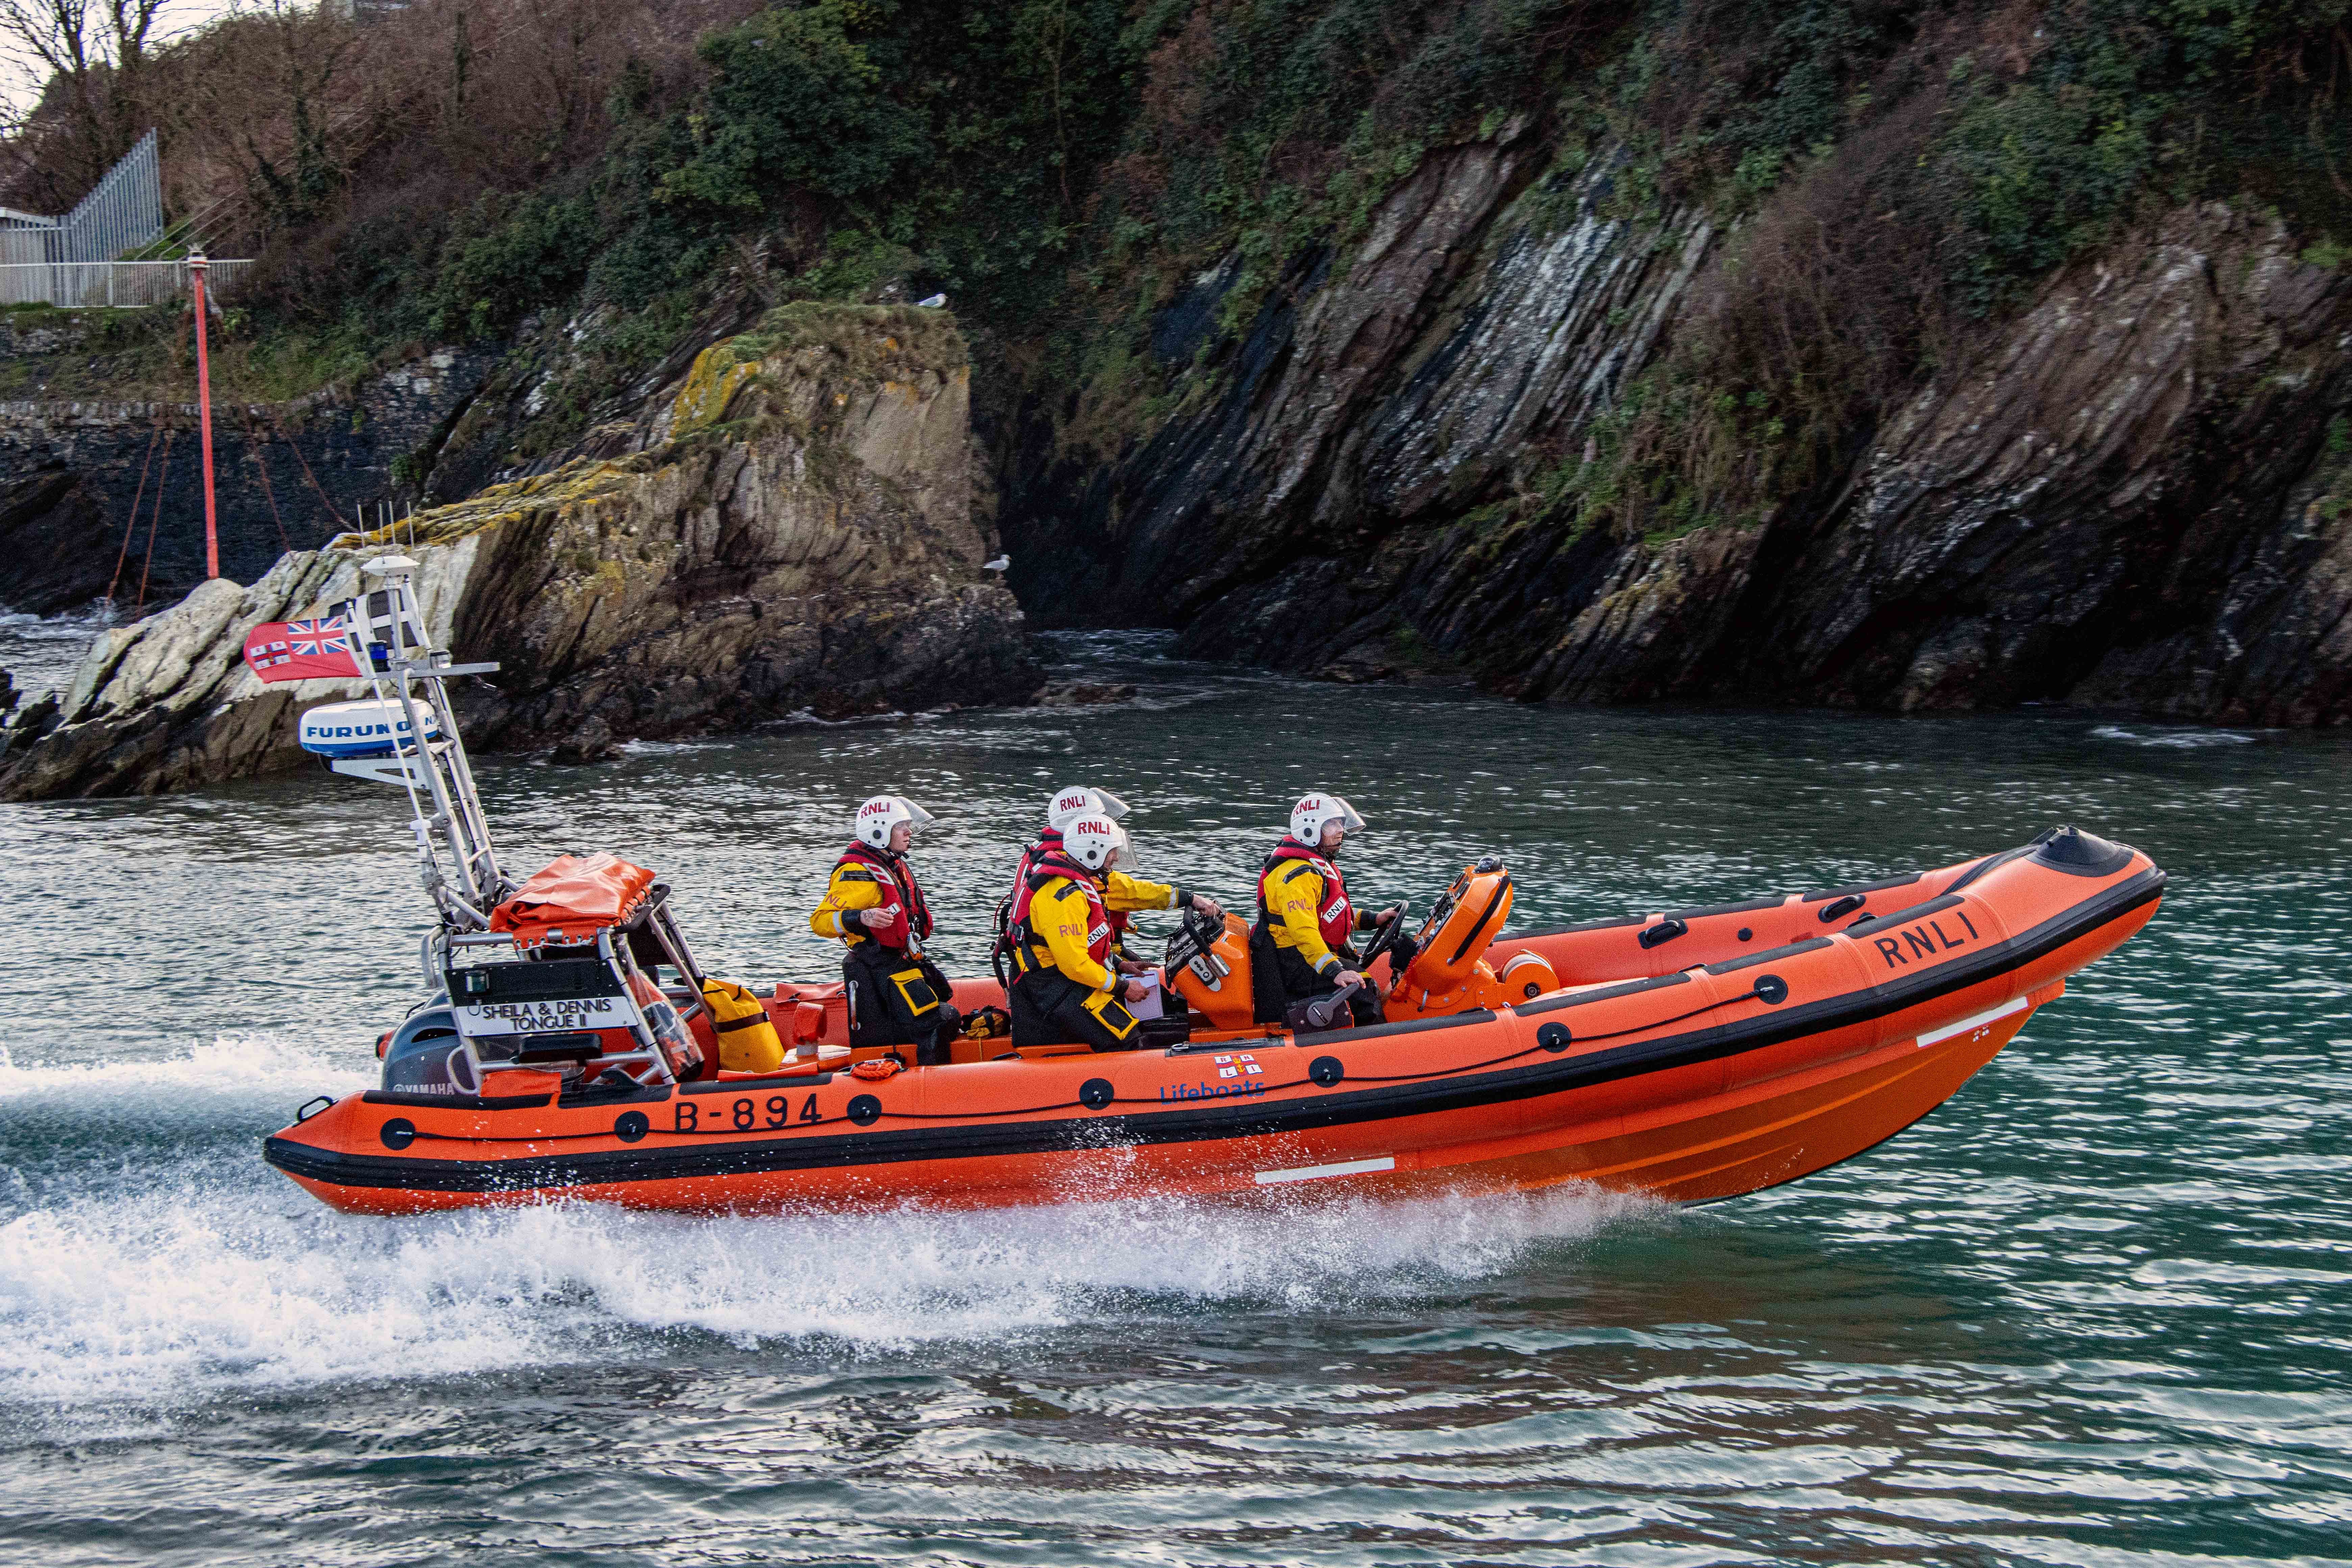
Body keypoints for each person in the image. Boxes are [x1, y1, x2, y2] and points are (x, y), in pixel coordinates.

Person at [1008, 814, 1216, 1050]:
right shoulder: (1066, 898)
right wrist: (1122, 987)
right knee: (1130, 1040)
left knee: (1159, 1008)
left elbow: (1087, 942)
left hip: (1069, 977)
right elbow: (1074, 965)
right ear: (1092, 852)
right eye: (1112, 851)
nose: (1116, 858)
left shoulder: (1084, 881)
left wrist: (1119, 964)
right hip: (1054, 984)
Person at [994, 784, 1223, 983]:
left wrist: (1115, 960)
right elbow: (1130, 892)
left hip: (1039, 957)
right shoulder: (1073, 868)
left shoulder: (1045, 853)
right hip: (1049, 969)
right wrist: (1190, 898)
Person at [809, 794, 960, 1065]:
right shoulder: (858, 874)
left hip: (901, 964)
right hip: (880, 968)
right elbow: (820, 921)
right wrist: (860, 917)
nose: (909, 832)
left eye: (908, 826)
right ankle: (930, 1082)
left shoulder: (891, 864)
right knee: (936, 1023)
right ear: (878, 831)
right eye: (901, 827)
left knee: (947, 1011)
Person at [1251, 791, 1399, 1029]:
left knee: (1359, 975)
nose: (1340, 830)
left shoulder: (1316, 866)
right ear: (1309, 829)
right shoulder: (1299, 876)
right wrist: (1334, 971)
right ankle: (1379, 1043)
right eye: (1332, 824)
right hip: (1295, 961)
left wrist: (1374, 919)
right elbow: (1304, 931)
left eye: (1341, 823)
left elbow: (1331, 913)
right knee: (1362, 987)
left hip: (1305, 955)